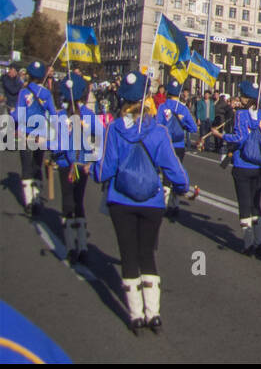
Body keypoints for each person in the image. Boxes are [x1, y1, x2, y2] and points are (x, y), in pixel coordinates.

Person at [93, 71, 196, 332]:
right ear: (146, 98)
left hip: (121, 200)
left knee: (128, 256)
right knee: (147, 254)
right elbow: (173, 168)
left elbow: (103, 170)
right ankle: (154, 313)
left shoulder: (113, 129)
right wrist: (184, 188)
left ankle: (135, 314)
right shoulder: (158, 130)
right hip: (151, 201)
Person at [212, 82, 261, 256]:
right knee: (256, 204)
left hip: (242, 165)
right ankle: (259, 242)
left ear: (247, 99)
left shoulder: (241, 116)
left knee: (244, 204)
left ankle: (248, 244)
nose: (239, 98)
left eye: (241, 96)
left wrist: (221, 135)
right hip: (259, 167)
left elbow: (239, 138)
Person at [54, 73, 99, 264]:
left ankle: (71, 245)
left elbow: (58, 145)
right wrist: (91, 162)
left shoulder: (61, 116)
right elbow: (97, 141)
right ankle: (82, 244)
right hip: (83, 164)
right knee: (79, 201)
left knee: (67, 200)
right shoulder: (90, 116)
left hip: (66, 164)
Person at [15, 61, 54, 216]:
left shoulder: (23, 92)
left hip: (25, 132)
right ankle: (37, 200)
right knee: (37, 164)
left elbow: (19, 114)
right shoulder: (46, 93)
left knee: (26, 166)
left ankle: (29, 201)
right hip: (41, 134)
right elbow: (52, 113)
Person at [155, 79, 197, 217]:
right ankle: (175, 204)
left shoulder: (162, 107)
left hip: (165, 144)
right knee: (175, 171)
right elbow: (193, 127)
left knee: (165, 174)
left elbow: (157, 125)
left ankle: (164, 204)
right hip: (179, 146)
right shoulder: (183, 108)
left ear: (167, 92)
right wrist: (182, 125)